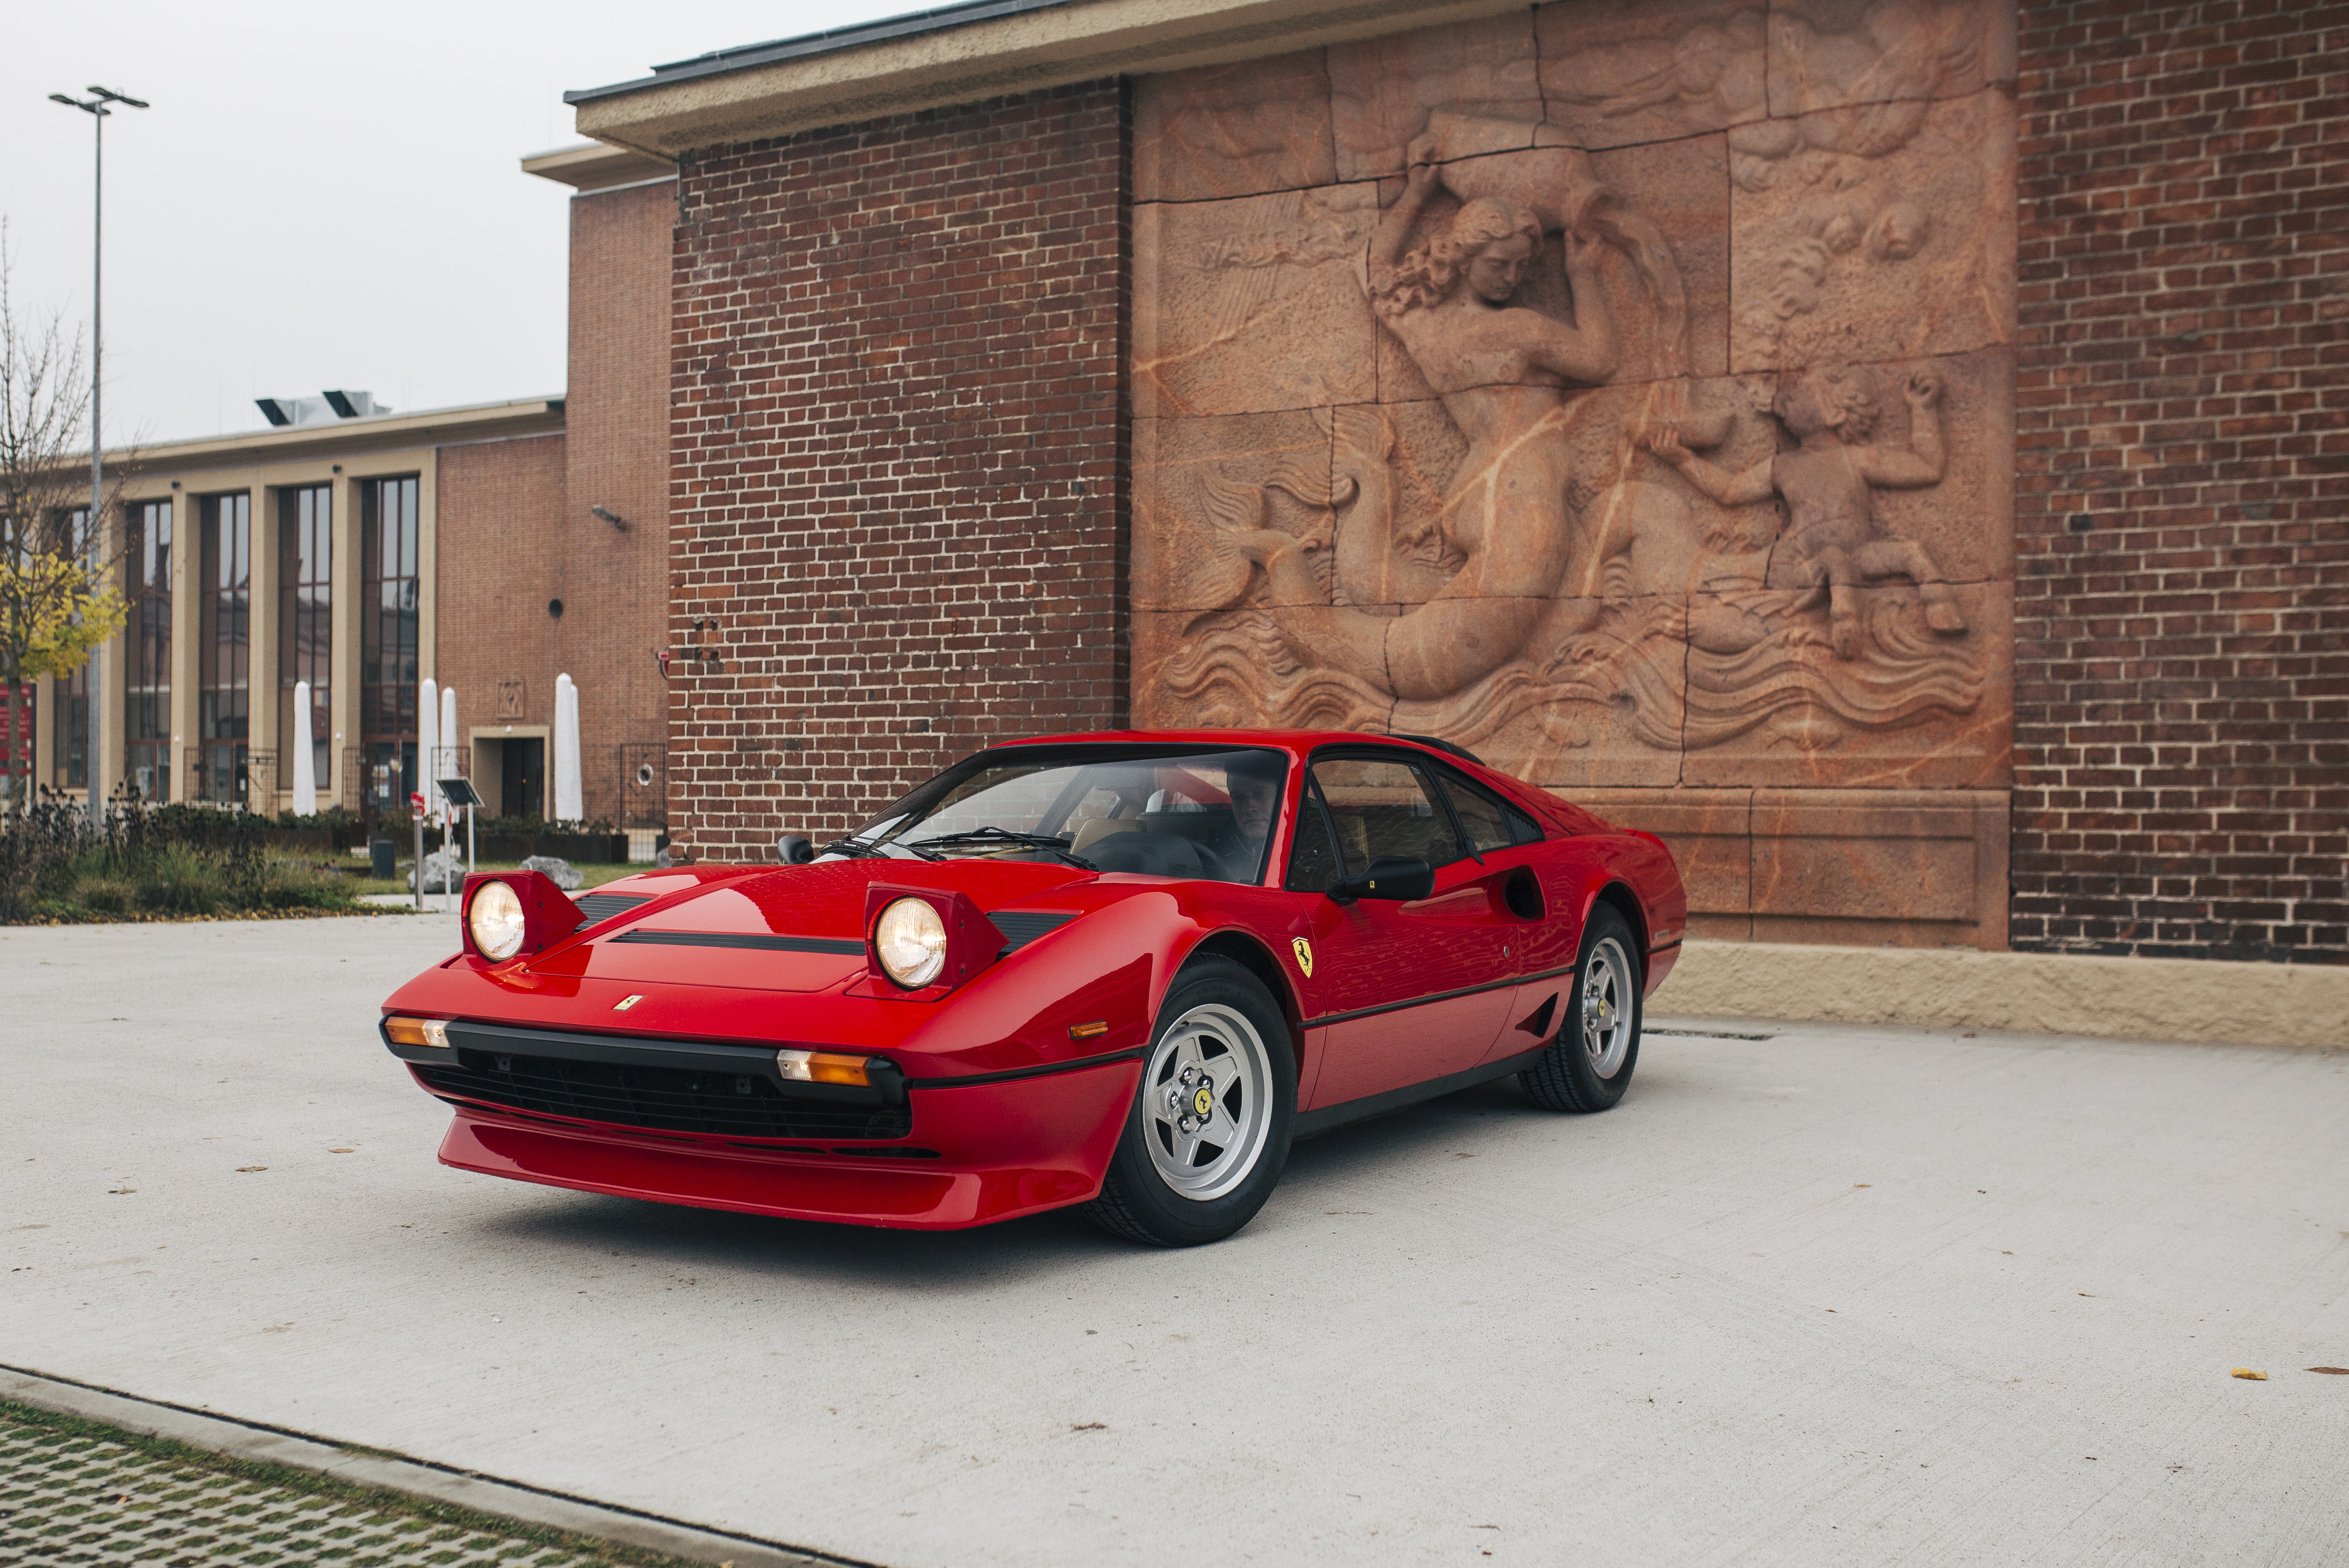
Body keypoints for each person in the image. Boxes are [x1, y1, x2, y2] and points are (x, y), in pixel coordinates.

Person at [1203, 758, 1284, 882]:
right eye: (1238, 798)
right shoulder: (1218, 845)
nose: (1248, 808)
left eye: (1260, 794)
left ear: (1282, 793)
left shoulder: (1314, 845)